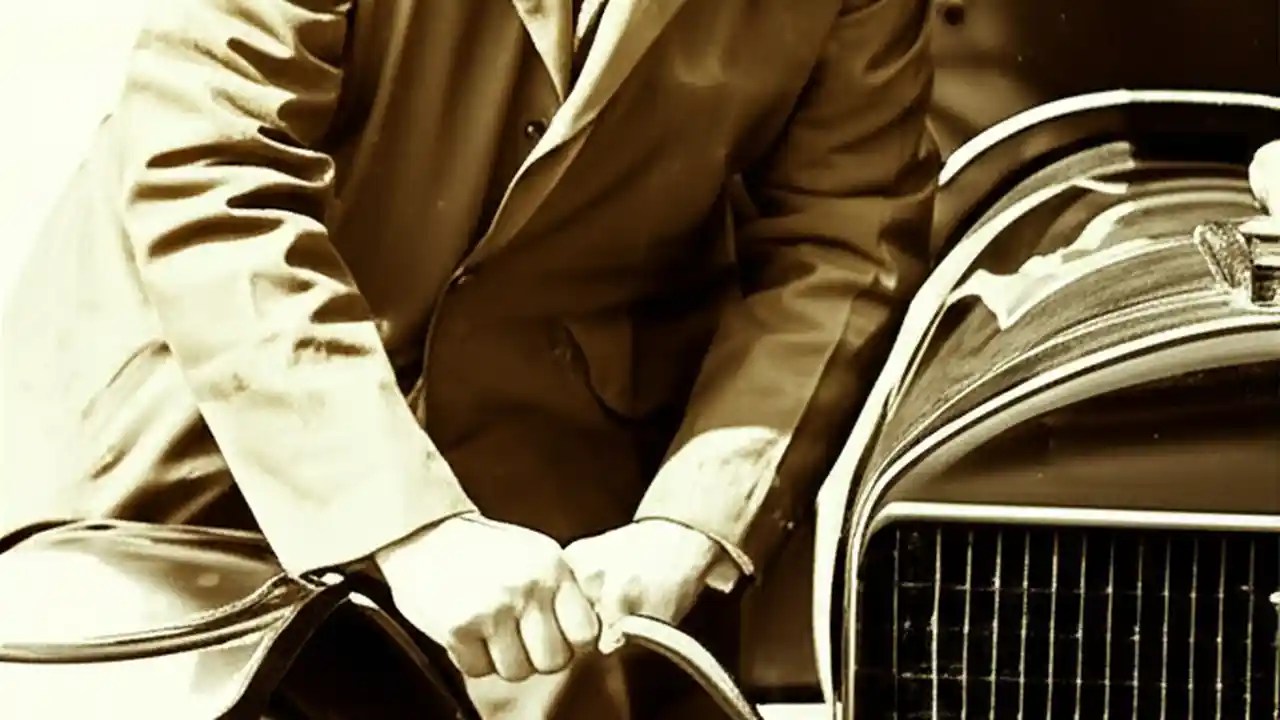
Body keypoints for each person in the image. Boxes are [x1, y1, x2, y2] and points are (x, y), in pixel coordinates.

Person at [0, 0, 940, 716]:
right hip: (197, 443)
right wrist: (409, 525)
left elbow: (845, 232)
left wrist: (691, 525)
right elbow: (214, 170)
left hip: (564, 527)